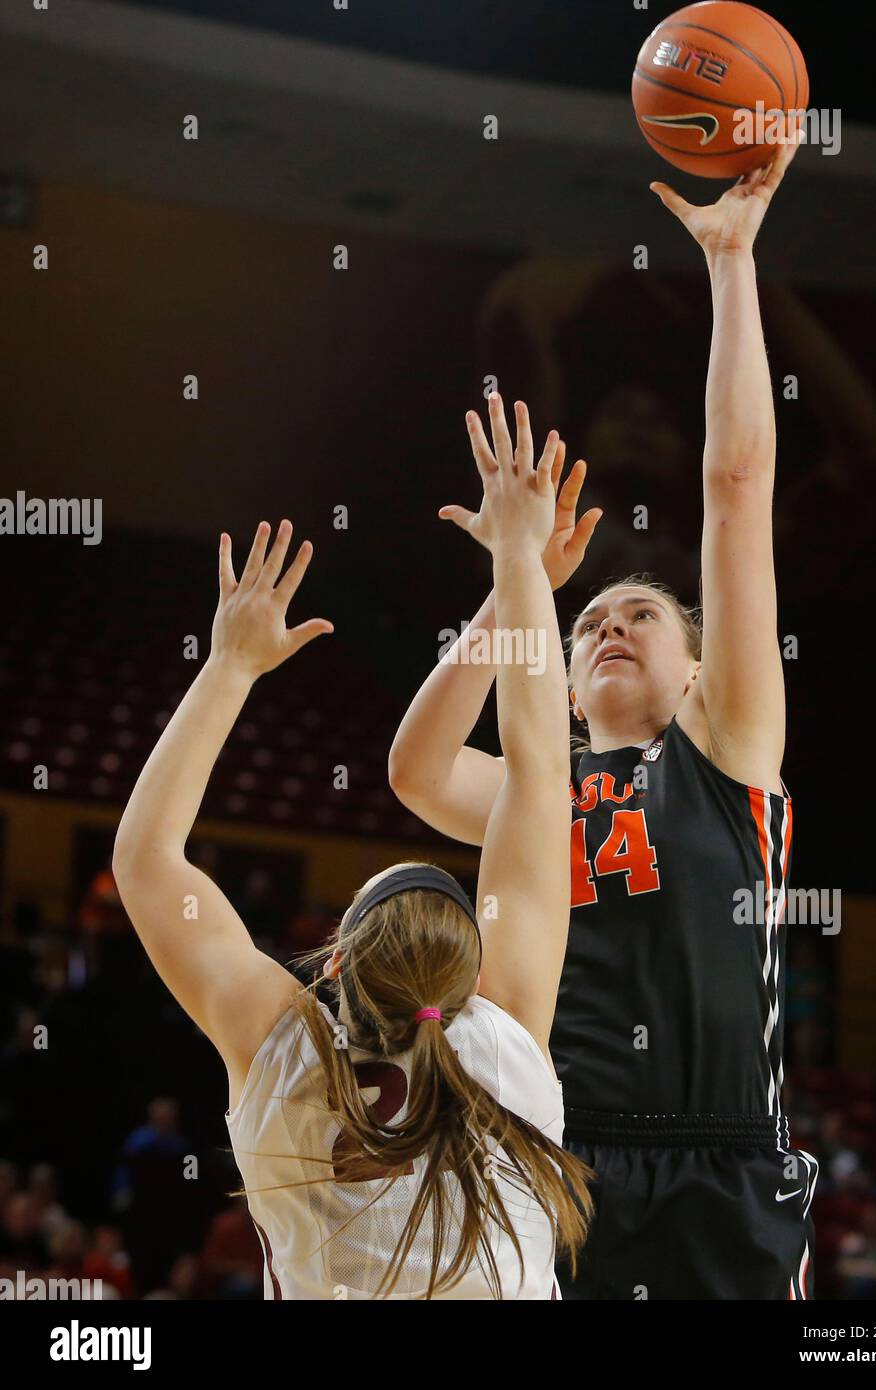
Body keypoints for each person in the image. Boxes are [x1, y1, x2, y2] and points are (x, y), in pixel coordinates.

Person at [391, 132, 819, 1298]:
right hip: (557, 1145)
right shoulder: (540, 792)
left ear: (697, 674)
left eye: (641, 615)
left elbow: (737, 489)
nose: (611, 624)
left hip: (721, 1154)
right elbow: (421, 769)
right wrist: (511, 583)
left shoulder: (725, 751)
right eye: (590, 626)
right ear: (565, 686)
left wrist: (730, 262)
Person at [113, 447, 591, 1300]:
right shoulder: (504, 1035)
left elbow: (146, 859)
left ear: (334, 961)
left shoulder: (281, 1046)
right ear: (466, 977)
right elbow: (540, 767)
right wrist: (519, 568)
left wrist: (229, 666)